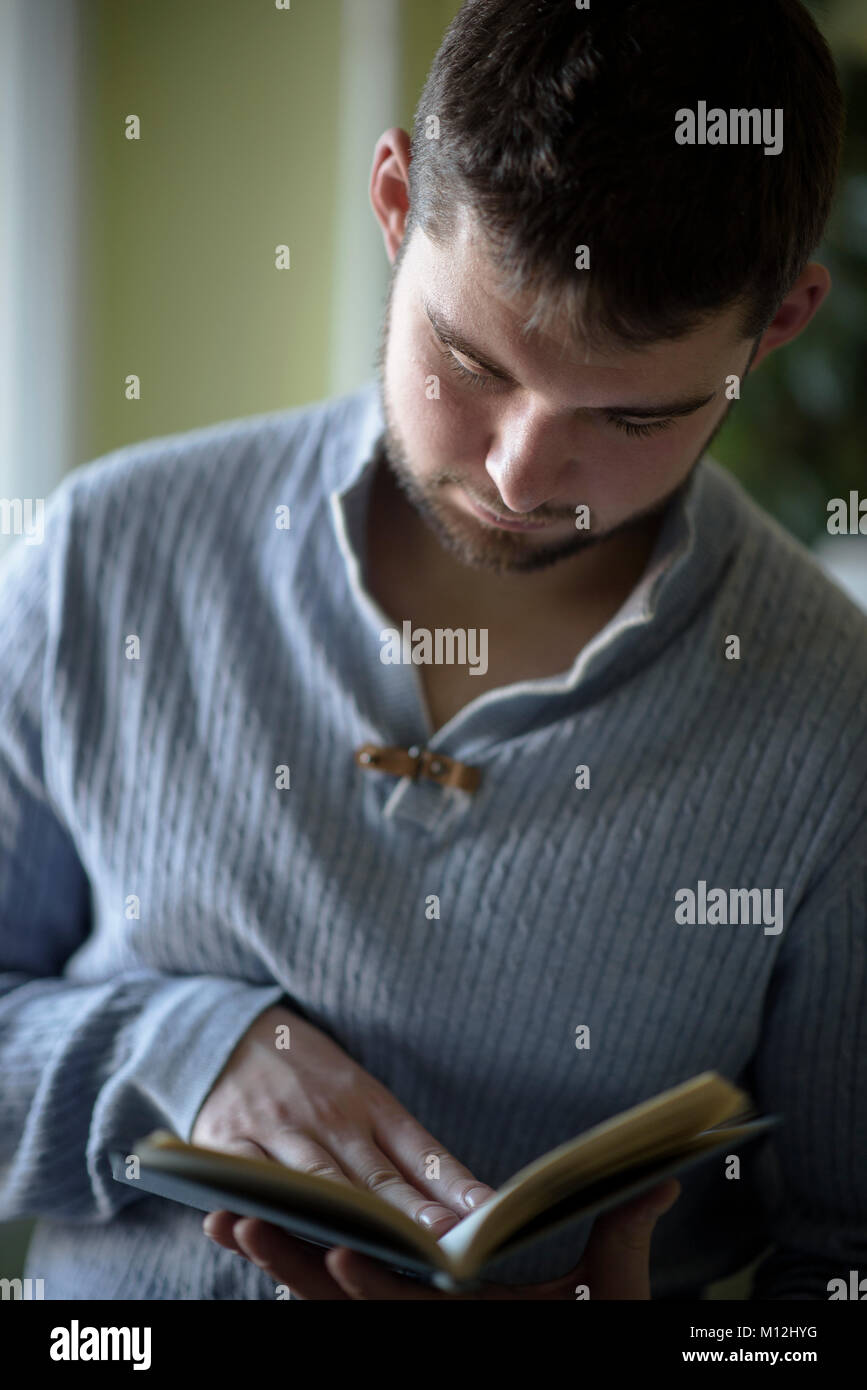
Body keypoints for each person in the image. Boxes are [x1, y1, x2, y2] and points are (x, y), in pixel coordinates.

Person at [1, 0, 863, 1302]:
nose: (523, 471)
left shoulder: (836, 722)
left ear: (783, 323)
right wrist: (172, 1054)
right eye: (469, 359)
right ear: (395, 199)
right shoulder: (103, 555)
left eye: (631, 413)